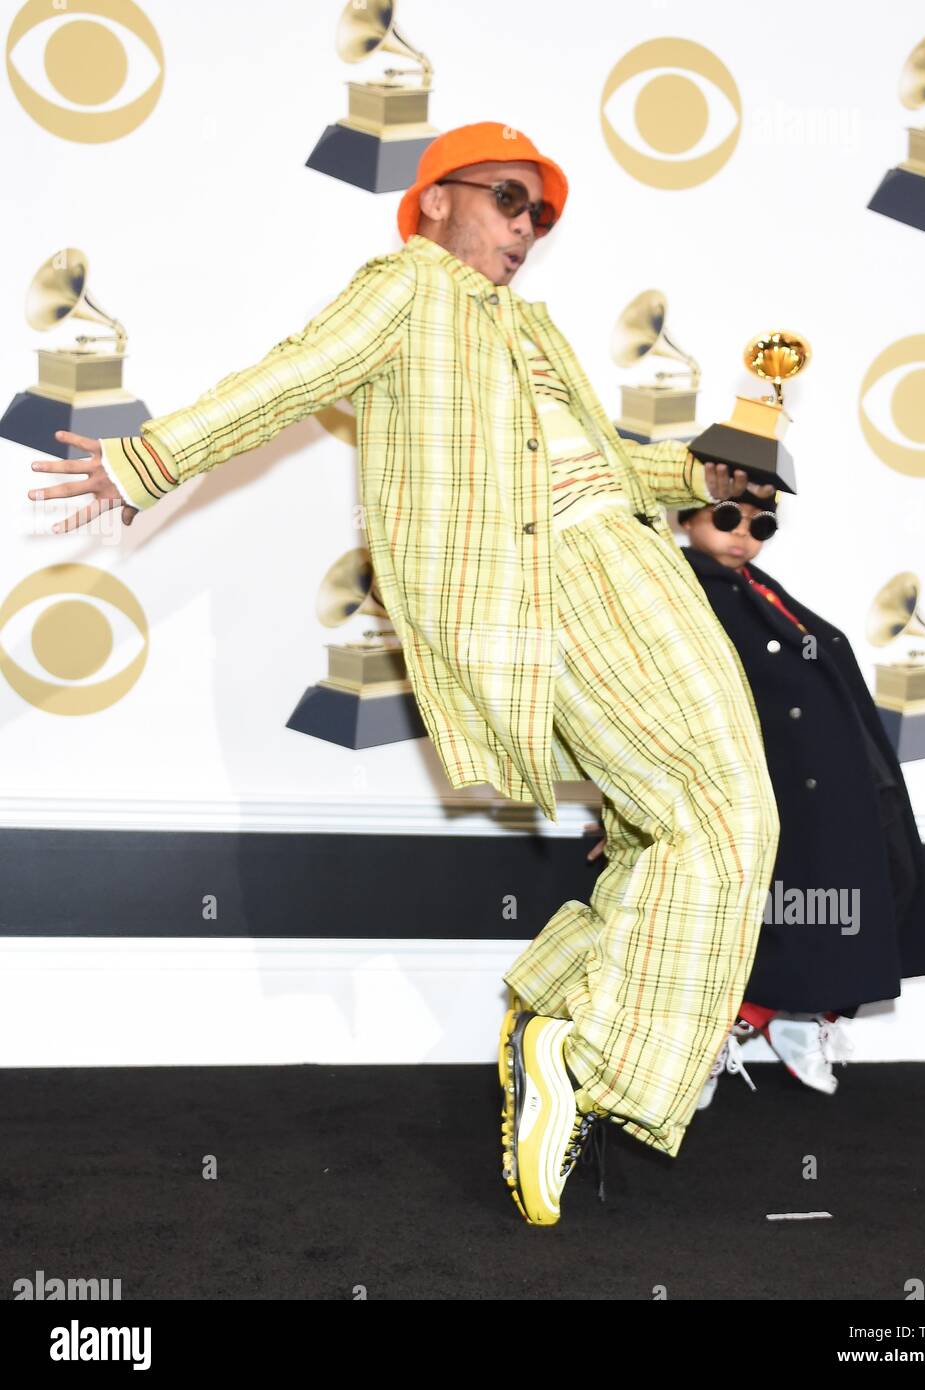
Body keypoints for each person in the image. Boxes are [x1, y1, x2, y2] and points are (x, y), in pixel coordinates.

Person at [26, 121, 780, 1228]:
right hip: (557, 579)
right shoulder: (409, 289)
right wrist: (151, 457)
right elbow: (293, 376)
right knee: (725, 818)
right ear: (433, 200)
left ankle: (561, 1023)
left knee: (688, 825)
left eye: (542, 216)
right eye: (509, 200)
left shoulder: (531, 326)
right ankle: (576, 1046)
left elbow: (607, 463)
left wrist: (698, 473)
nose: (527, 229)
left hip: (629, 555)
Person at [590, 489, 925, 1109]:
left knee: (851, 900)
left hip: (831, 783)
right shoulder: (676, 589)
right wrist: (635, 800)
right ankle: (708, 1046)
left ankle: (792, 1014)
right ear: (687, 513)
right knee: (739, 921)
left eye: (762, 524)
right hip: (754, 785)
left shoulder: (760, 587)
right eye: (727, 516)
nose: (743, 534)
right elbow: (645, 700)